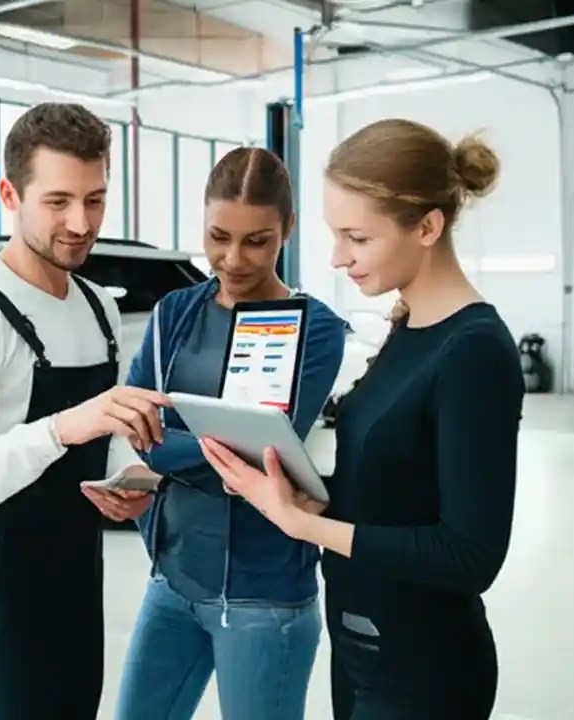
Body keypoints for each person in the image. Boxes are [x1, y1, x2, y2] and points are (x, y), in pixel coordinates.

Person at [200, 118, 525, 720]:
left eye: (357, 237)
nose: (337, 256)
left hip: (424, 670)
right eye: (334, 234)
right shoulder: (406, 329)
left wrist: (304, 526)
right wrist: (304, 497)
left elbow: (470, 556)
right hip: (361, 653)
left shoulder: (475, 351)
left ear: (427, 227)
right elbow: (396, 498)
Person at [0, 102, 168, 720]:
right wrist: (59, 429)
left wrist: (129, 485)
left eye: (95, 200)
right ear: (10, 194)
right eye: (58, 202)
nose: (80, 222)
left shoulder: (100, 307)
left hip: (77, 575)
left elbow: (110, 439)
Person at [114, 147, 347, 720]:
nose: (233, 258)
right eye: (218, 236)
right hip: (173, 579)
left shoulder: (315, 329)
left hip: (263, 594)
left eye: (257, 241)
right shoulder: (174, 314)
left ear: (288, 229)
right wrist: (212, 455)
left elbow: (263, 455)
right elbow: (142, 433)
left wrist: (176, 446)